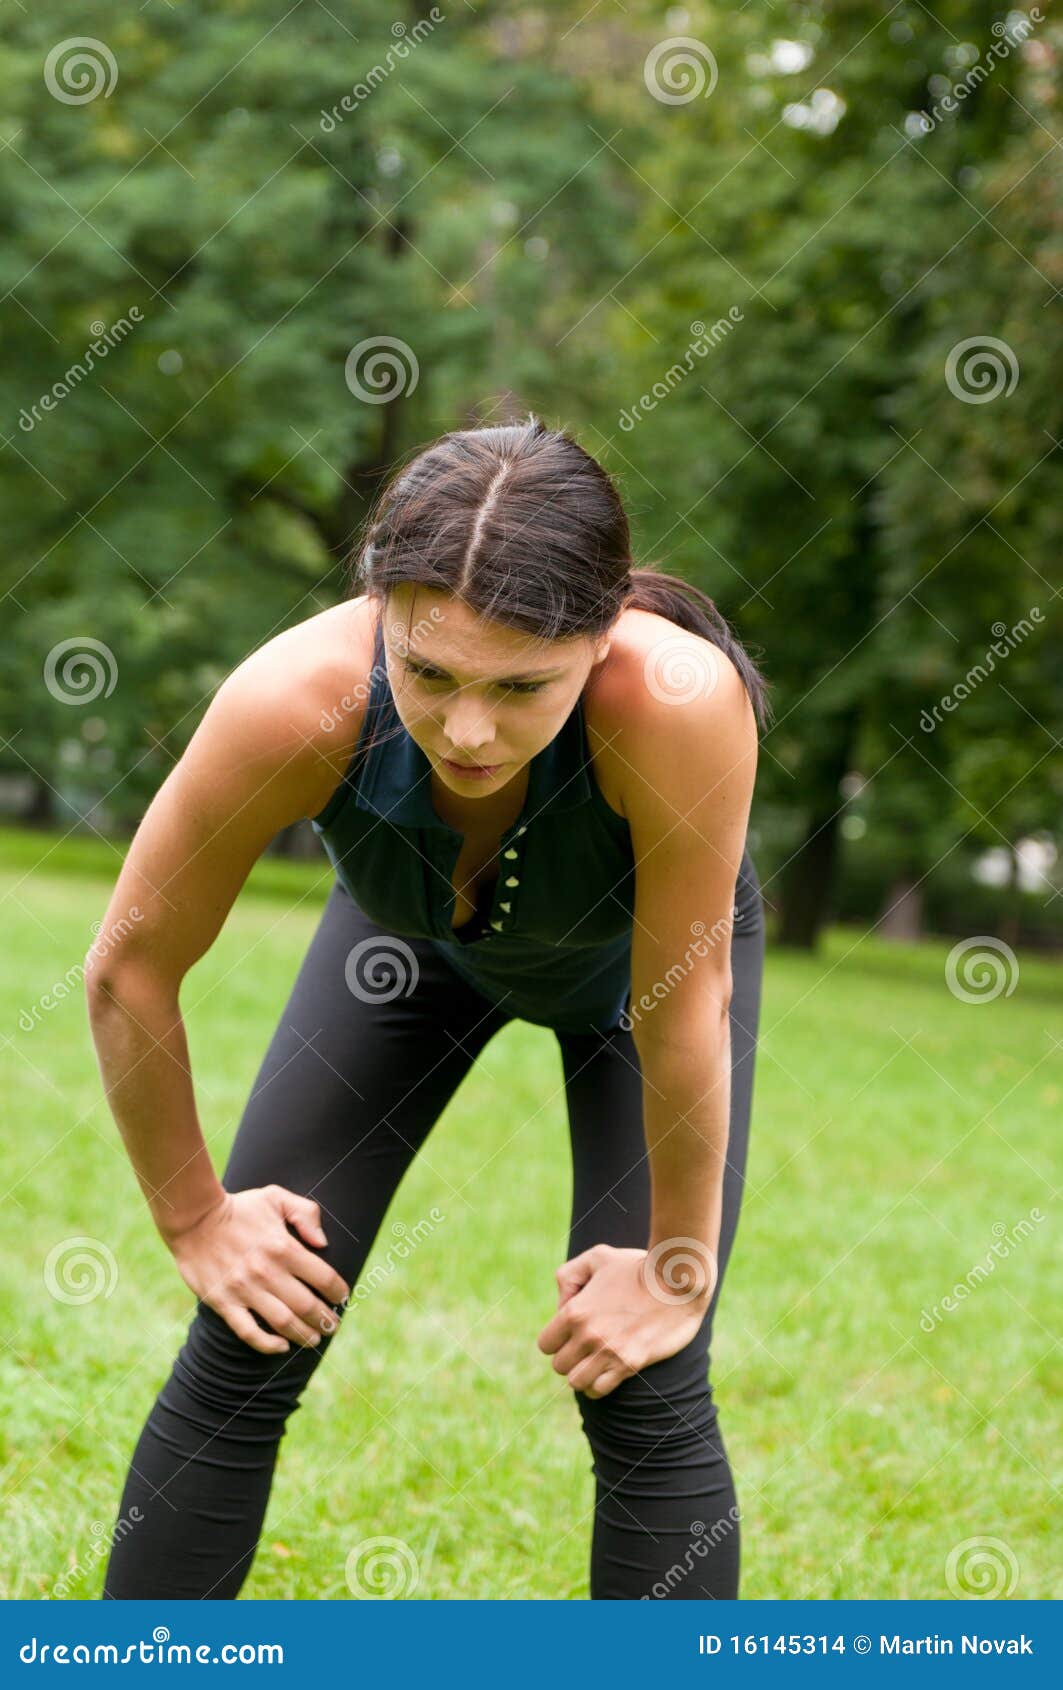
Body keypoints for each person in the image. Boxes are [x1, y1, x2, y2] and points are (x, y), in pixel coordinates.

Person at [88, 415, 770, 1601]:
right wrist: (196, 1217)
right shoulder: (295, 699)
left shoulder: (676, 703)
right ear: (378, 613)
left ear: (603, 637)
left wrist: (676, 1263)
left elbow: (682, 1004)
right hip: (400, 959)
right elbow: (127, 968)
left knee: (647, 1380)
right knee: (251, 1330)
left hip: (634, 988)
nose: (467, 730)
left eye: (522, 687)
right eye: (430, 671)